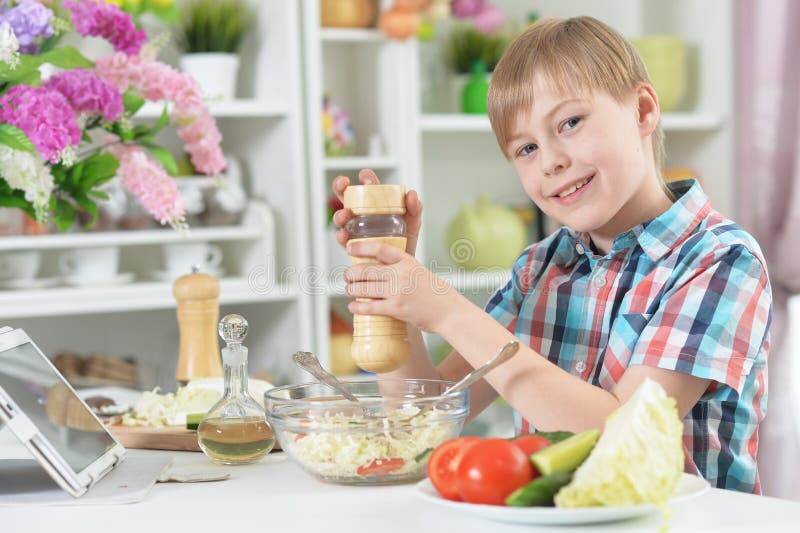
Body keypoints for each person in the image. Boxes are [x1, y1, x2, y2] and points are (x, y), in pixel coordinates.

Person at [331, 16, 771, 494]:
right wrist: (395, 284)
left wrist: (446, 309)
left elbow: (622, 435)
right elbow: (424, 421)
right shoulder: (540, 267)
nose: (551, 160)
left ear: (643, 110)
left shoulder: (719, 260)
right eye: (526, 147)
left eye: (571, 123)